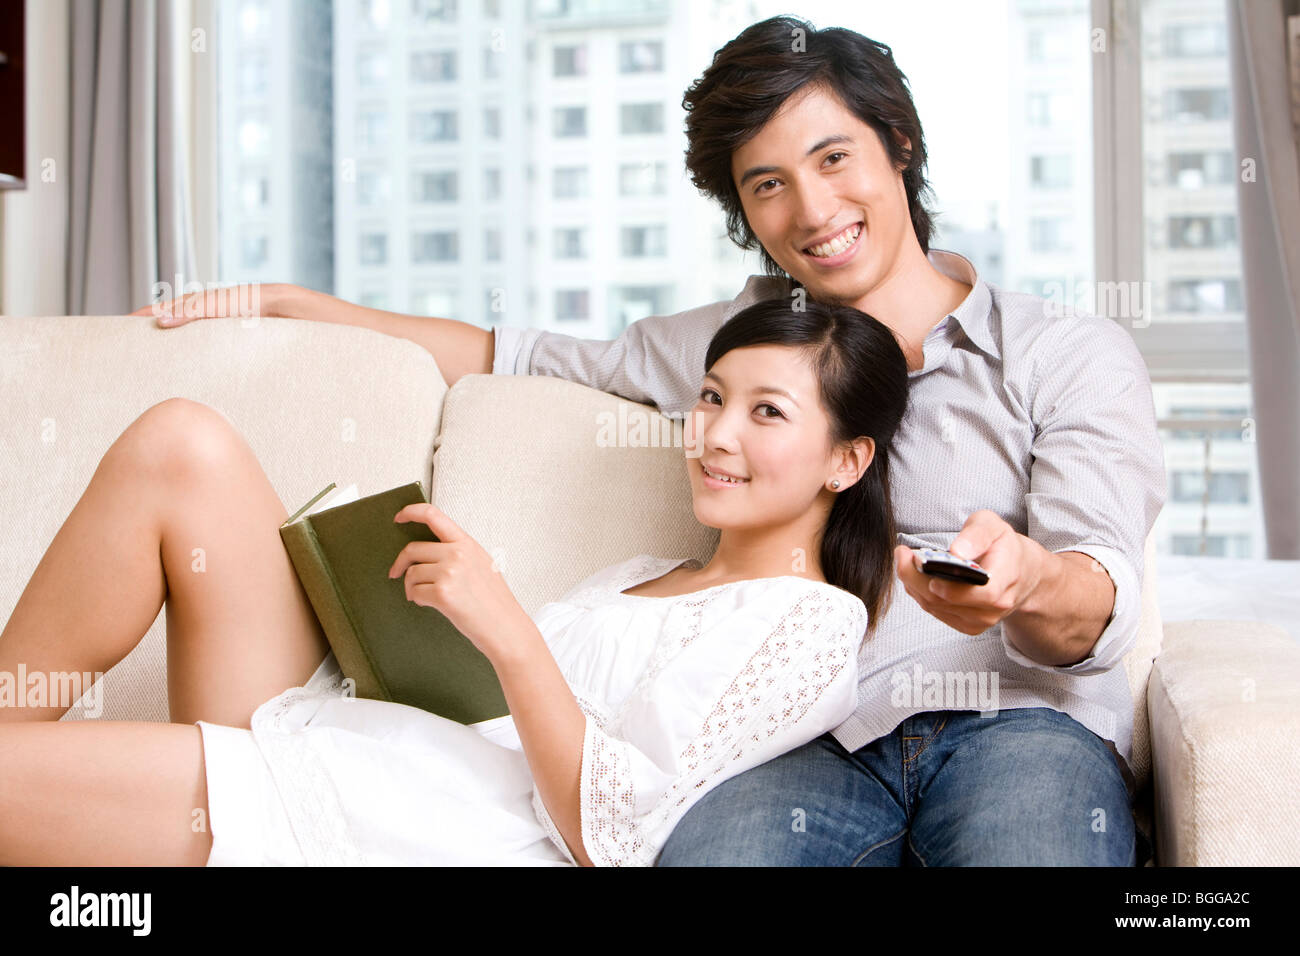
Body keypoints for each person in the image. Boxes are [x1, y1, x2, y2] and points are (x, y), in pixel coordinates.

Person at [138, 16, 1165, 866]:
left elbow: (1096, 599)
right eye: (765, 184)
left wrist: (1028, 582)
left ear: (897, 145)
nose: (811, 209)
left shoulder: (1062, 351)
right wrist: (298, 300)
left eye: (832, 157)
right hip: (804, 744)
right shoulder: (748, 348)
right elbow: (518, 351)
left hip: (1015, 723)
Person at [0, 298, 909, 866]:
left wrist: (506, 628)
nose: (716, 434)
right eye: (711, 397)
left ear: (846, 459)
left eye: (767, 414)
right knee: (181, 444)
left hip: (416, 821)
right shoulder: (643, 575)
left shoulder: (810, 624)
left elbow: (618, 837)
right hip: (364, 731)